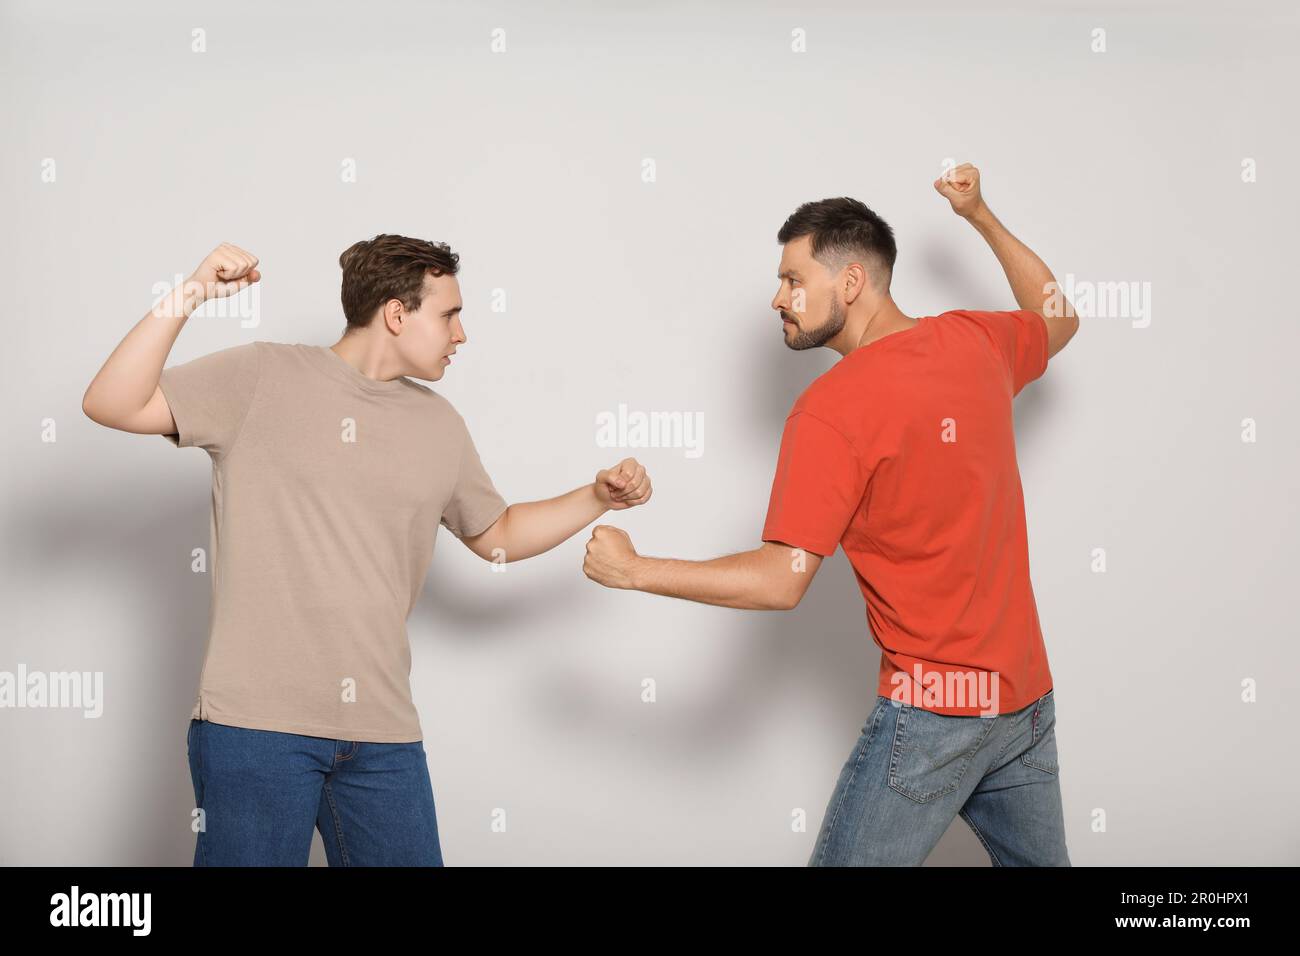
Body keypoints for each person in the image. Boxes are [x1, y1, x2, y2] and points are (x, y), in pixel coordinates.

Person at [82, 235, 653, 866]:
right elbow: (111, 401)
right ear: (396, 313)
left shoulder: (439, 424)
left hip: (382, 736)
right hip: (257, 728)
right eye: (450, 314)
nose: (461, 334)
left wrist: (597, 496)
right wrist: (191, 294)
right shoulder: (260, 376)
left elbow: (497, 537)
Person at [582, 164, 1080, 866]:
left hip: (937, 710)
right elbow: (1059, 315)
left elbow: (780, 581)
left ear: (850, 283)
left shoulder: (831, 409)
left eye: (793, 280)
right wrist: (981, 216)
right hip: (1025, 698)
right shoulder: (975, 343)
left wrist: (635, 571)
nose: (778, 298)